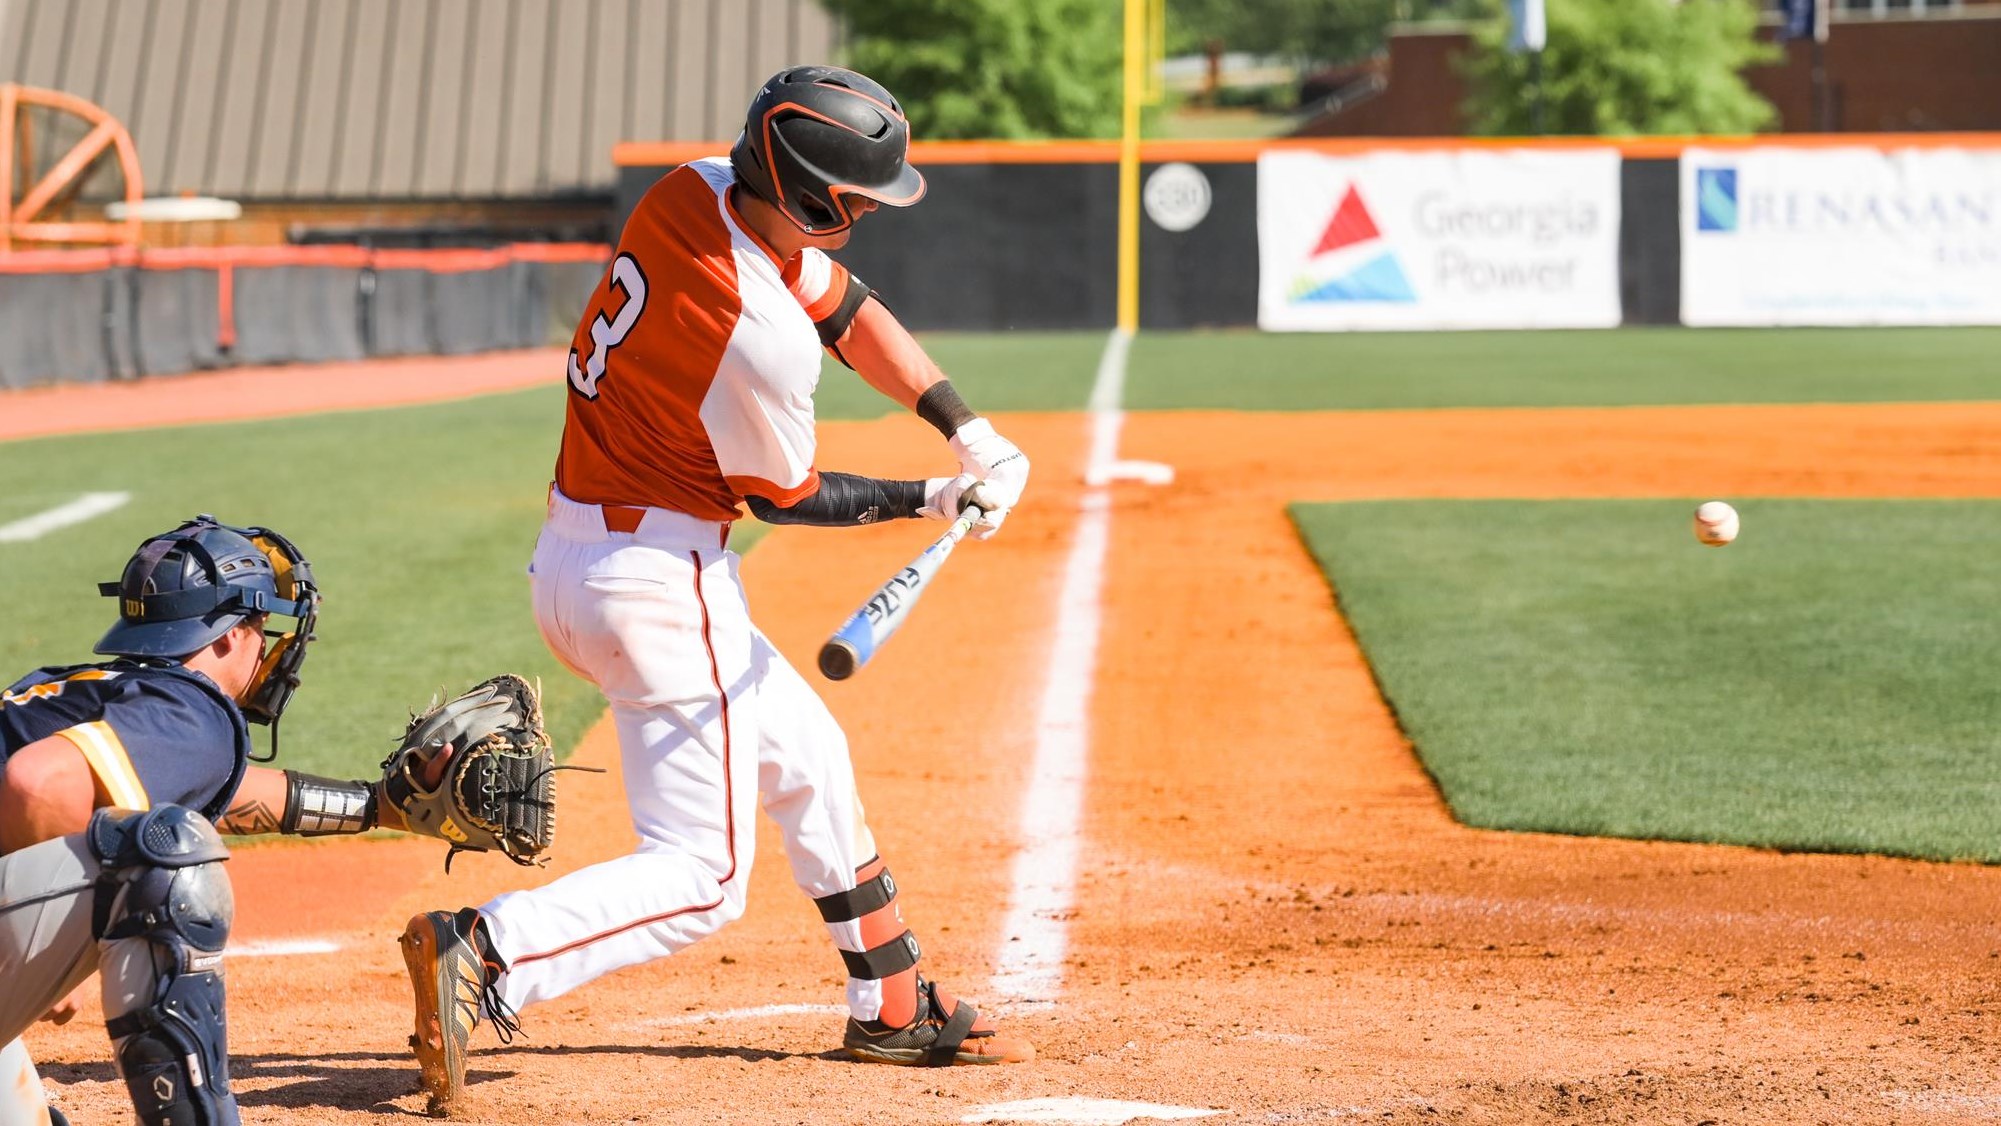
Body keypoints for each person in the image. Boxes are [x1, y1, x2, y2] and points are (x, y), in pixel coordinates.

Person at [400, 64, 1035, 1112]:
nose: (872, 210)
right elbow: (783, 496)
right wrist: (934, 495)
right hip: (658, 583)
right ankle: (490, 950)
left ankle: (892, 1003)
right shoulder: (756, 331)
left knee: (811, 757)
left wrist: (964, 424)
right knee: (701, 876)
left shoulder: (693, 188)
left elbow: (848, 308)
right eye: (862, 194)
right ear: (814, 195)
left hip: (581, 556)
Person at [0, 516, 449, 1126]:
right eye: (260, 625)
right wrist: (51, 953)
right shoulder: (193, 708)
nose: (264, 645)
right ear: (227, 636)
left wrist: (379, 805)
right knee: (165, 864)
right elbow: (38, 784)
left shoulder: (77, 690)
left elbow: (201, 794)